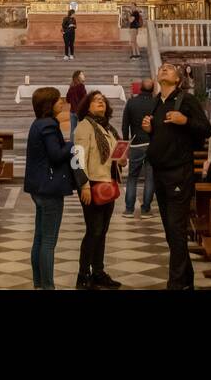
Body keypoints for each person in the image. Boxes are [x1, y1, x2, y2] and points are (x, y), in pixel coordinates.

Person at [143, 61, 211, 290]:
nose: (164, 69)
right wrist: (150, 130)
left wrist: (186, 121)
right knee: (171, 231)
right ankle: (187, 282)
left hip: (179, 172)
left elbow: (206, 129)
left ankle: (175, 284)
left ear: (178, 80)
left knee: (176, 229)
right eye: (162, 67)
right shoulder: (155, 103)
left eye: (170, 68)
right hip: (159, 173)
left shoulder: (186, 100)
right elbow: (161, 136)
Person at [23, 86, 75, 291]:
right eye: (57, 99)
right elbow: (56, 155)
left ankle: (39, 283)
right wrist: (72, 145)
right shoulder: (48, 125)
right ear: (48, 104)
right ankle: (48, 286)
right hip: (49, 188)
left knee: (40, 237)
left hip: (39, 187)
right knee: (49, 241)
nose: (62, 102)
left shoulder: (39, 123)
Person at [73, 91, 123, 290]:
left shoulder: (108, 129)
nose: (100, 102)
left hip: (107, 183)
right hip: (91, 184)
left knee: (102, 231)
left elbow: (111, 157)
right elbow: (77, 159)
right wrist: (83, 184)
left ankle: (98, 272)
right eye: (96, 100)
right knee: (93, 231)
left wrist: (121, 160)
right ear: (87, 106)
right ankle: (83, 275)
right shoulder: (84, 127)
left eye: (103, 100)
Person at [121, 77, 156, 216]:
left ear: (140, 88)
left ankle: (129, 209)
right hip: (152, 144)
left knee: (132, 177)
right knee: (150, 178)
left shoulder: (131, 102)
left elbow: (125, 125)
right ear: (153, 89)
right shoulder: (156, 103)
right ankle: (146, 208)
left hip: (136, 143)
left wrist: (125, 144)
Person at [66, 68, 86, 136]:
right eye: (82, 74)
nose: (84, 76)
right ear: (78, 77)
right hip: (80, 112)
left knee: (72, 130)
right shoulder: (81, 86)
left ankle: (72, 145)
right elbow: (84, 100)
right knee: (83, 129)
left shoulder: (71, 87)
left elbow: (67, 100)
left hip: (72, 112)